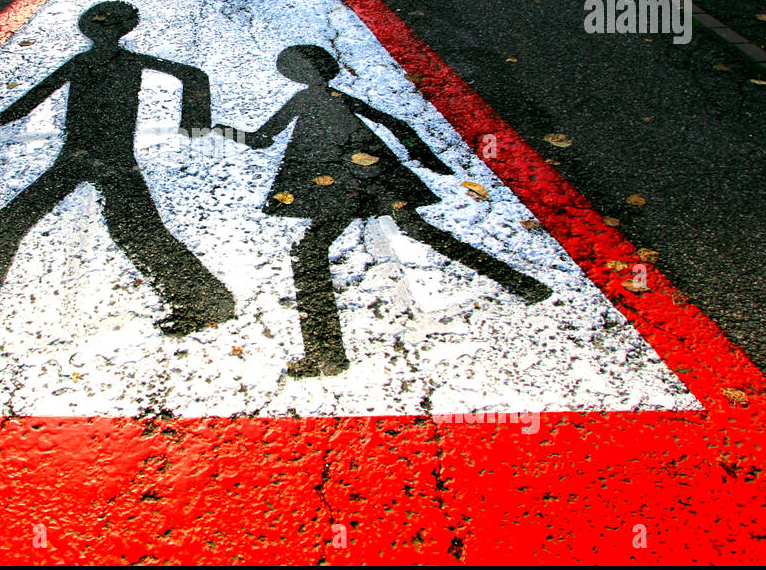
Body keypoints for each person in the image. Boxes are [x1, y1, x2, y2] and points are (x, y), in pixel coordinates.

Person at [0, 1, 236, 396]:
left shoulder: (131, 63)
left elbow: (193, 74)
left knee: (132, 234)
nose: (97, 31)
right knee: (2, 237)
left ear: (123, 29)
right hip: (75, 160)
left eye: (107, 25)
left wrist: (194, 121)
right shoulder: (77, 65)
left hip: (112, 161)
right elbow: (19, 110)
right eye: (92, 24)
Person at [215, 45, 551, 378]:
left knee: (310, 251)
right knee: (422, 232)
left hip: (336, 182)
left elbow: (262, 138)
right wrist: (426, 158)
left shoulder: (303, 100)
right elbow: (395, 123)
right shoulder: (339, 97)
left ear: (294, 75)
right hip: (377, 174)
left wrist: (220, 130)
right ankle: (524, 285)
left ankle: (326, 353)